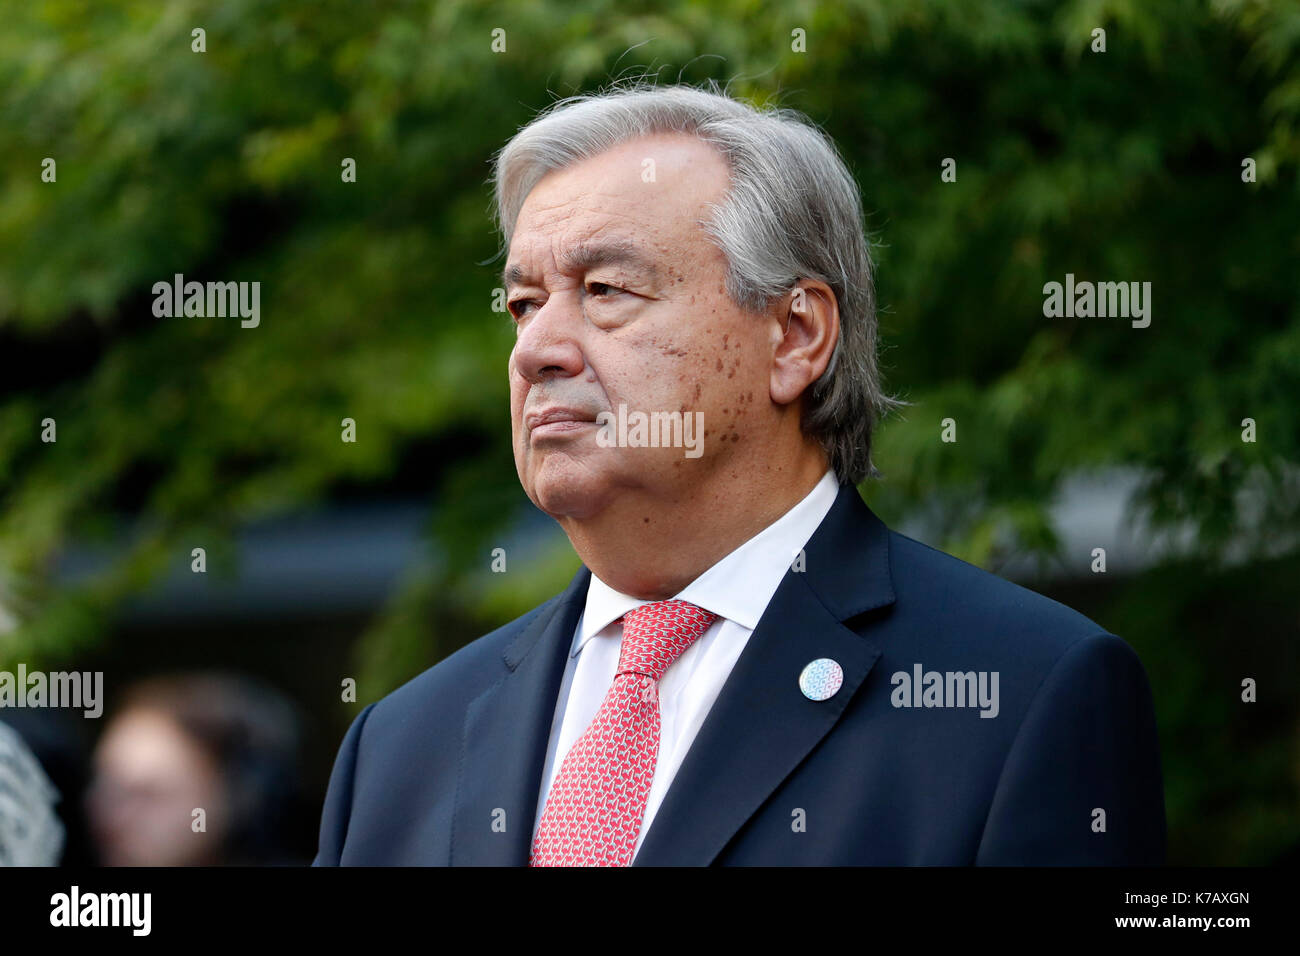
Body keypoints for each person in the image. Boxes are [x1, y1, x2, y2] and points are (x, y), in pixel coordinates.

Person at [314, 80, 1165, 866]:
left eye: (606, 289)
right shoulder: (400, 748)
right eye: (524, 303)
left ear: (795, 336)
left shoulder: (1020, 694)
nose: (536, 349)